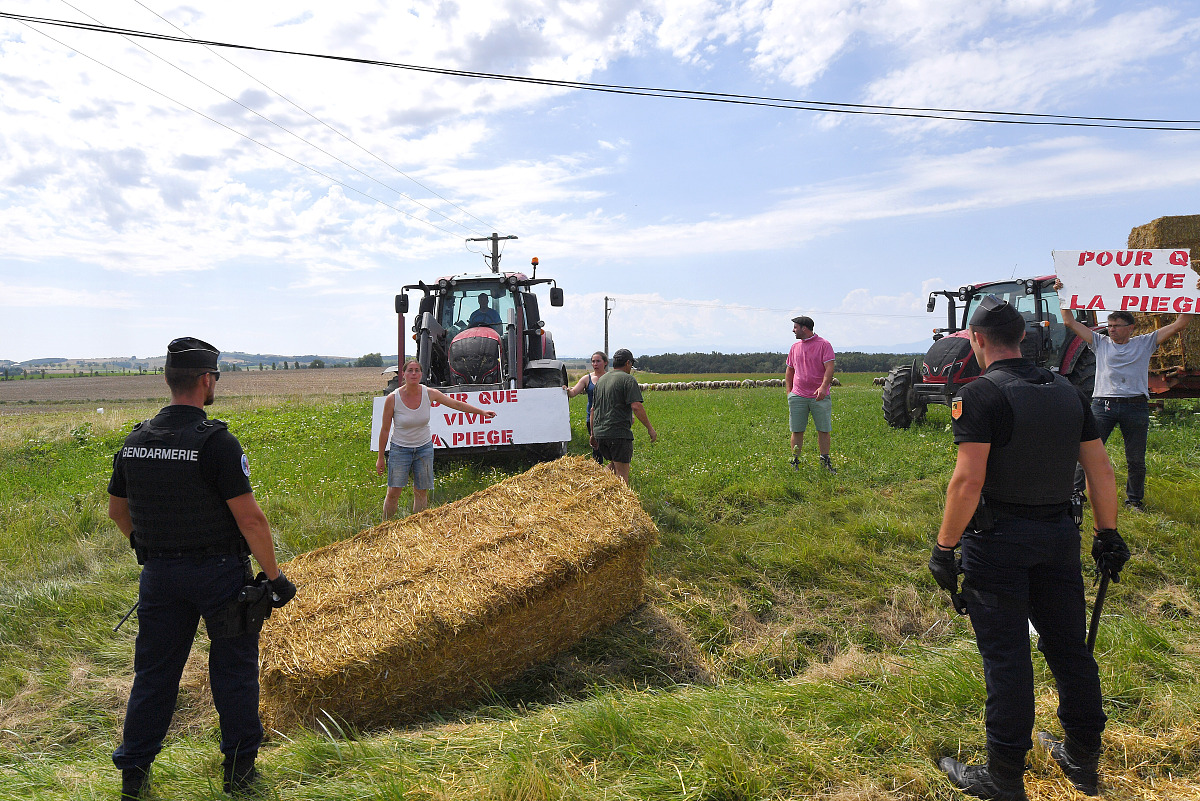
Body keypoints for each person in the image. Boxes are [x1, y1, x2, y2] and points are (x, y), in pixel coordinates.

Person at [928, 296, 1129, 801]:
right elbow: (1101, 470)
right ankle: (1083, 758)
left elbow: (967, 482)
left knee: (1007, 658)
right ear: (1023, 338)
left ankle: (1003, 776)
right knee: (1070, 649)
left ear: (975, 340)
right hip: (1059, 536)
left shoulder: (978, 396)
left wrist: (944, 547)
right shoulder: (1065, 390)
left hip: (997, 544)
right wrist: (1108, 534)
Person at [107, 337, 298, 800]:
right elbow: (250, 519)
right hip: (219, 574)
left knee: (154, 675)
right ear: (206, 380)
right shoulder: (216, 443)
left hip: (160, 577)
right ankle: (238, 771)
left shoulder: (135, 442)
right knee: (232, 672)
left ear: (169, 380)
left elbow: (117, 511)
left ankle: (134, 772)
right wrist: (274, 579)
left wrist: (146, 547)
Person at [1054, 278, 1195, 510]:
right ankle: (1075, 494)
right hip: (1103, 406)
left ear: (1130, 328)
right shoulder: (1100, 343)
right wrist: (1062, 294)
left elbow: (1181, 323)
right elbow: (1069, 321)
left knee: (1136, 459)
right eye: (1109, 325)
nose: (1111, 329)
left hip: (1135, 406)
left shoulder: (1146, 343)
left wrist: (1192, 293)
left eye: (1116, 325)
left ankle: (1134, 501)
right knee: (1087, 452)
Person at [375, 359, 496, 517]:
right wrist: (380, 458)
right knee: (393, 491)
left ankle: (419, 526)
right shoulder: (393, 398)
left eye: (417, 370)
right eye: (410, 370)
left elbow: (456, 404)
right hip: (400, 449)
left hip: (424, 449)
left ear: (421, 374)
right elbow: (384, 430)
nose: (413, 373)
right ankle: (385, 528)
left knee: (421, 491)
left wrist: (481, 412)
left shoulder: (429, 393)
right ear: (403, 374)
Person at [589, 348, 657, 484]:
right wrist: (650, 428)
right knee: (622, 476)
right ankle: (620, 503)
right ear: (627, 363)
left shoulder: (601, 381)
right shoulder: (628, 380)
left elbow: (593, 410)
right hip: (618, 434)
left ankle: (595, 485)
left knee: (614, 464)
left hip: (600, 434)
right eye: (631, 364)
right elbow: (636, 406)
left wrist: (592, 434)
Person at [784, 315, 836, 473]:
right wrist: (789, 393)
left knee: (823, 429)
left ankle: (825, 460)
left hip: (819, 396)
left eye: (795, 327)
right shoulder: (795, 347)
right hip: (798, 396)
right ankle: (795, 461)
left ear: (804, 328)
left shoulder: (824, 345)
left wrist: (823, 387)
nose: (793, 330)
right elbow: (790, 370)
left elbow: (829, 368)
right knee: (797, 430)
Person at [568, 351, 608, 463]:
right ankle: (598, 470)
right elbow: (573, 393)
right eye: (593, 361)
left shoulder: (610, 378)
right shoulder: (587, 379)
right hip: (592, 417)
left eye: (598, 361)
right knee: (596, 447)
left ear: (605, 363)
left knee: (609, 446)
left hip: (608, 416)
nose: (595, 364)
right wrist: (566, 390)